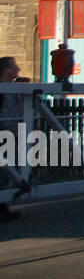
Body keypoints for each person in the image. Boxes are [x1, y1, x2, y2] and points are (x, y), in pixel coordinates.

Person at [0, 57, 19, 221]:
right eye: (14, 67)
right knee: (4, 172)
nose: (18, 69)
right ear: (6, 70)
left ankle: (4, 206)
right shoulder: (2, 89)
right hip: (5, 134)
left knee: (8, 172)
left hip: (12, 134)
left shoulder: (13, 87)